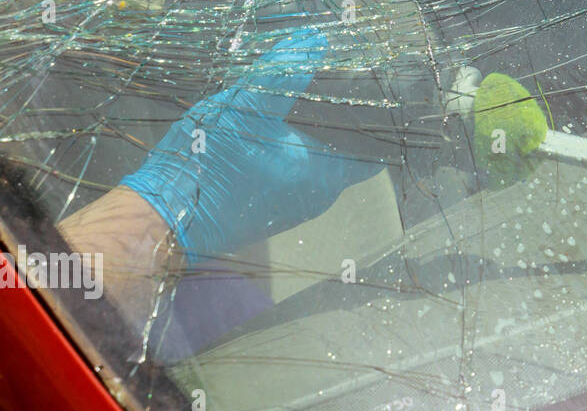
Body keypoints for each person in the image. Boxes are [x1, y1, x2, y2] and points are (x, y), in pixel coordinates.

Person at [59, 28, 382, 328]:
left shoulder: (231, 311)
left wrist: (169, 200)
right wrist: (165, 208)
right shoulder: (230, 312)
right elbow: (21, 299)